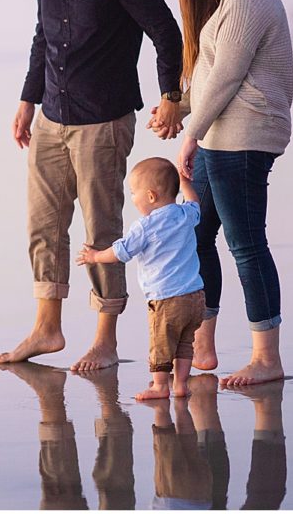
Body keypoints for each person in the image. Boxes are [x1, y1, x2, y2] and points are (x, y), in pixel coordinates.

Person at [0, 0, 185, 374]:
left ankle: (105, 338)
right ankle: (48, 327)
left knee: (102, 229)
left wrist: (171, 97)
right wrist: (27, 99)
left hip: (103, 119)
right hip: (51, 115)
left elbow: (165, 30)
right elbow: (43, 34)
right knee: (43, 225)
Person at [167, 0, 293, 388]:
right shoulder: (226, 1)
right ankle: (203, 343)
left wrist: (190, 134)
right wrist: (177, 108)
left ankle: (266, 357)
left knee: (246, 245)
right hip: (218, 134)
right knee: (198, 236)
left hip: (244, 135)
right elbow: (207, 73)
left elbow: (228, 75)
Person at [78, 156, 205, 402]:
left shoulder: (145, 226)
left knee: (161, 344)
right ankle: (180, 384)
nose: (132, 198)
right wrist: (184, 181)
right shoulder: (184, 215)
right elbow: (194, 202)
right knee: (185, 343)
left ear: (150, 196)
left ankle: (160, 386)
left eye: (134, 192)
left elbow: (120, 252)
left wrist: (95, 256)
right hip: (195, 296)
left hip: (166, 299)